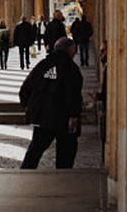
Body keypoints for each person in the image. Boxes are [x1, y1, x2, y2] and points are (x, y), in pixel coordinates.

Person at [19, 37, 84, 169]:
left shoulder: (43, 65)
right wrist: (75, 114)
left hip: (43, 117)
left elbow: (25, 88)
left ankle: (24, 174)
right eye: (73, 49)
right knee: (66, 153)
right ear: (70, 50)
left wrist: (29, 106)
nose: (74, 52)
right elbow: (73, 95)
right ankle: (63, 179)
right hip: (63, 118)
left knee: (35, 150)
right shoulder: (71, 68)